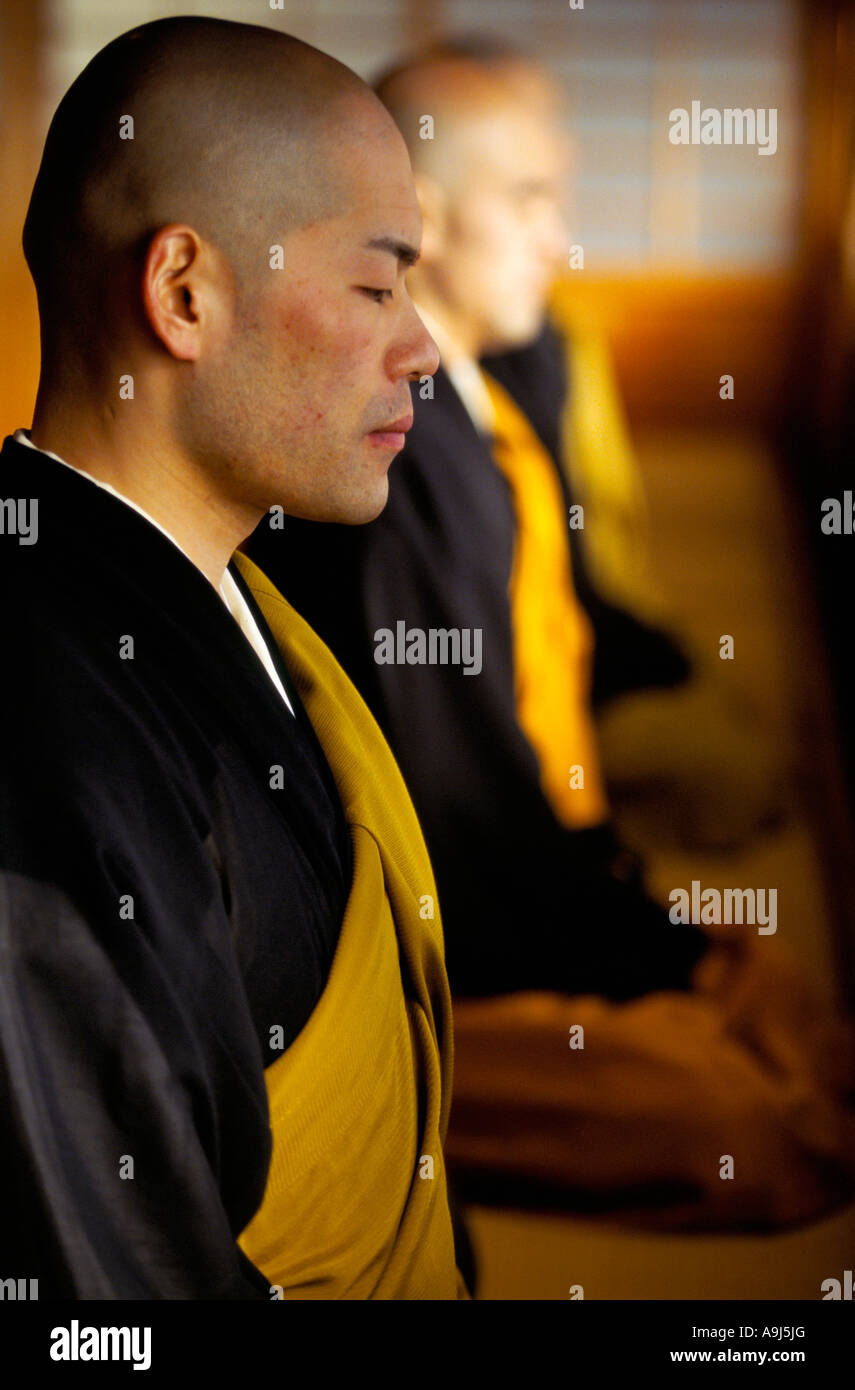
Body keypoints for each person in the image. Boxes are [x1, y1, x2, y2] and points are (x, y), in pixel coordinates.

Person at [246, 50, 855, 1228]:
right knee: (747, 1122)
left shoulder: (487, 387)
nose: (562, 239)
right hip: (421, 944)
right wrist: (637, 949)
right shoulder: (397, 452)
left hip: (531, 864)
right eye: (531, 197)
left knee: (769, 1014)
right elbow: (454, 827)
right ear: (419, 217)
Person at [0, 16, 470, 1299]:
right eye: (378, 286)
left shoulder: (231, 585)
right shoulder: (48, 751)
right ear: (185, 293)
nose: (422, 345)